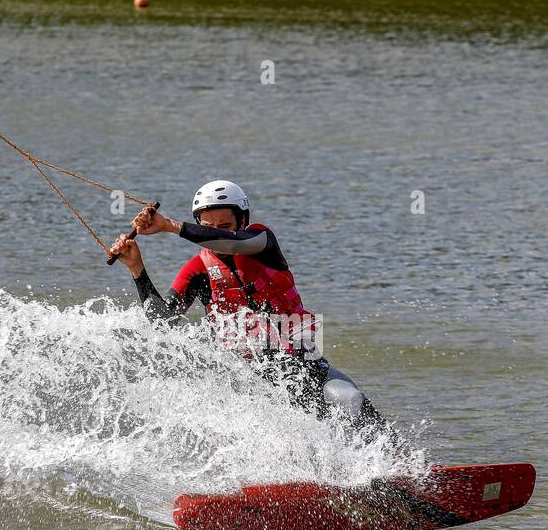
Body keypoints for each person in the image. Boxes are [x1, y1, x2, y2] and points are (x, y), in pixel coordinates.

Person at [110, 179, 388, 435]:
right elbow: (162, 321)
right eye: (207, 227)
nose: (214, 234)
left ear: (242, 221)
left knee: (351, 400)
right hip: (255, 386)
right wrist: (137, 269)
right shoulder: (197, 271)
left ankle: (401, 471)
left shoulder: (262, 242)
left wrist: (170, 225)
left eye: (224, 226)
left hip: (308, 368)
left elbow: (234, 243)